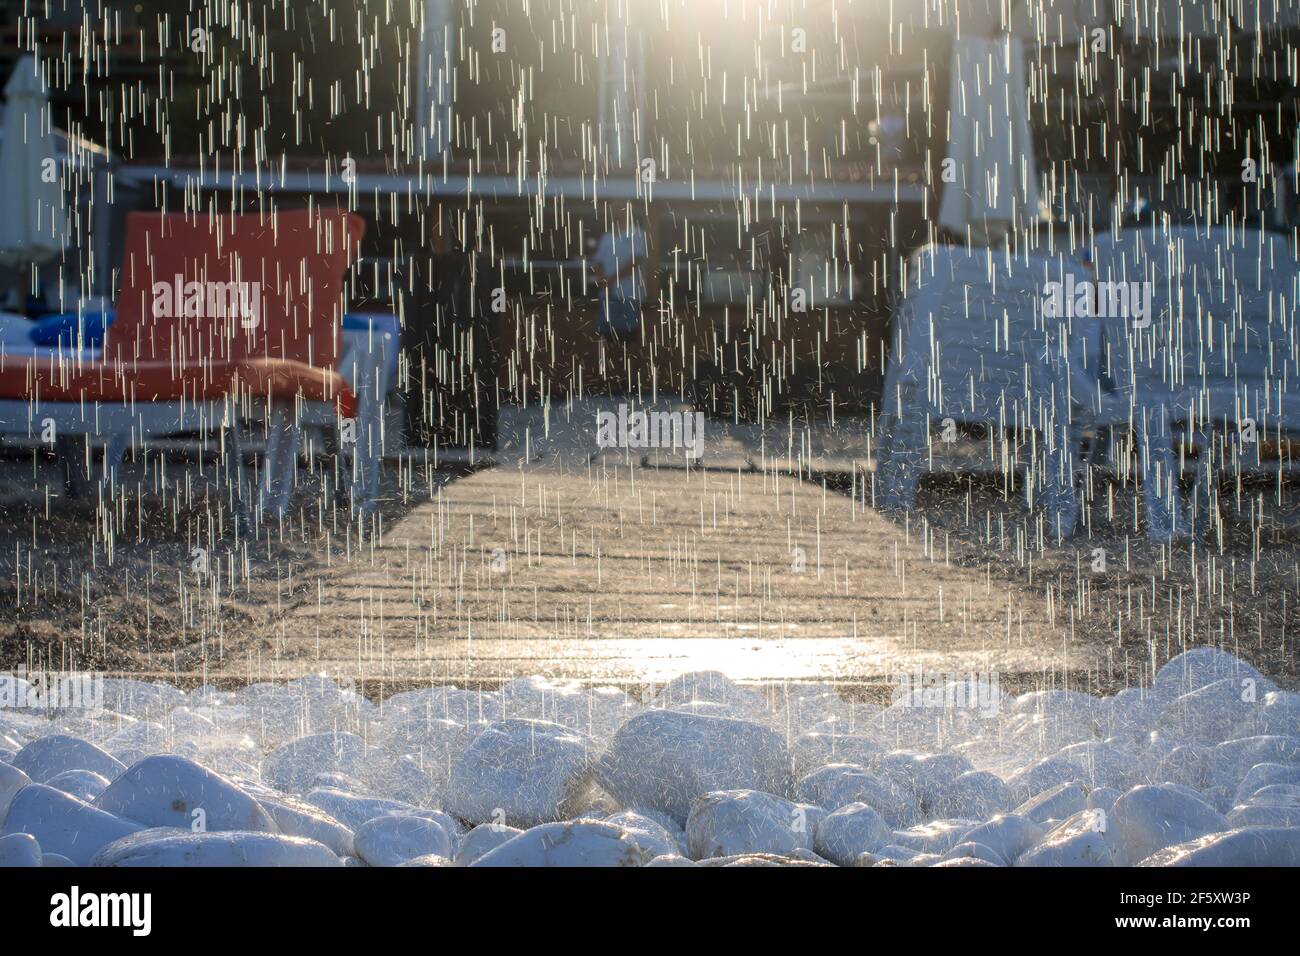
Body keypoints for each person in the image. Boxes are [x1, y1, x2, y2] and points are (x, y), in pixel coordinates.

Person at [592, 212, 648, 341]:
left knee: (628, 338)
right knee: (607, 338)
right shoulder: (606, 237)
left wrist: (610, 280)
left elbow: (636, 261)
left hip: (628, 296)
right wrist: (602, 281)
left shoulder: (637, 234)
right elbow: (598, 262)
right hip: (607, 297)